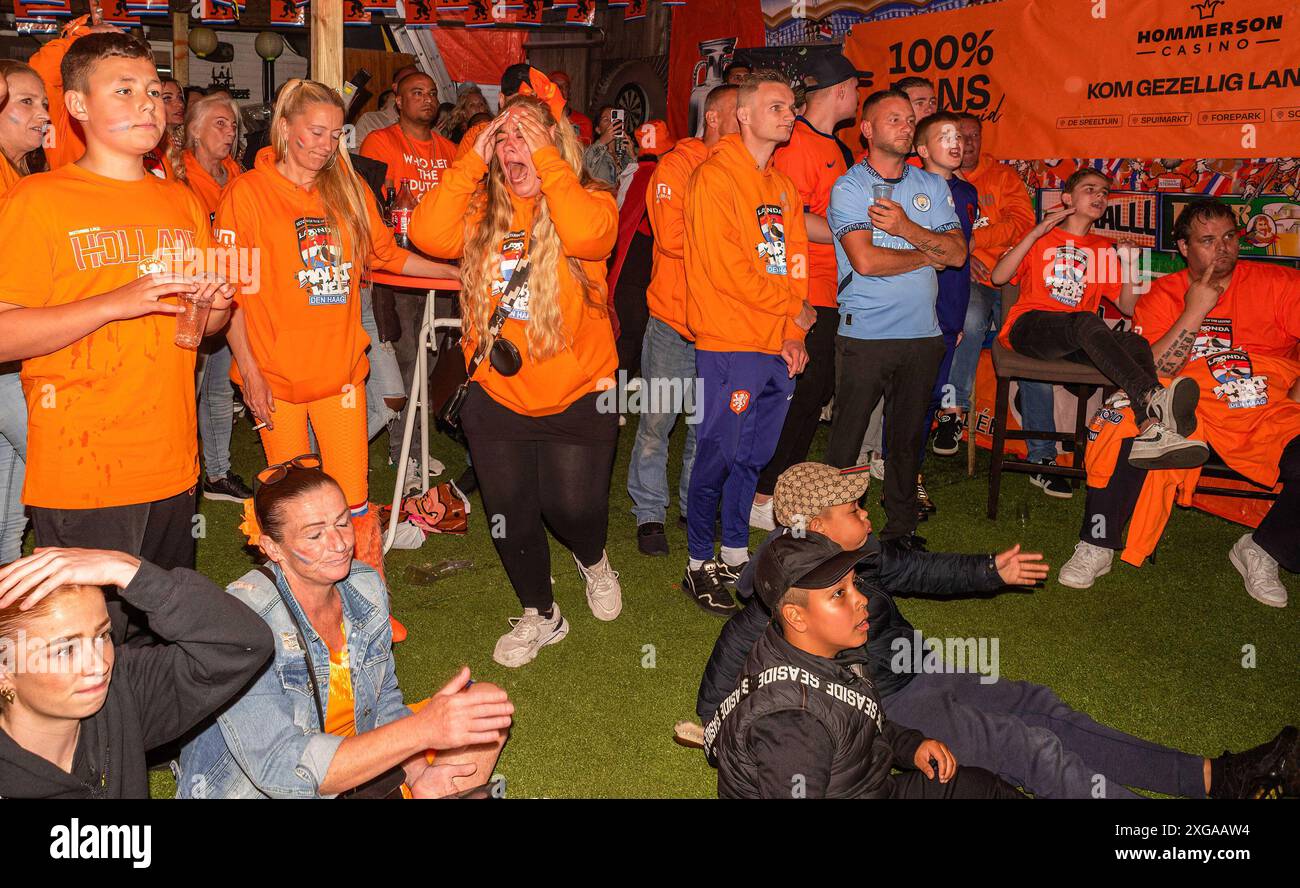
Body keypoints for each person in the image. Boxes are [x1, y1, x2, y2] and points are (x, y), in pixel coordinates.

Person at [694, 461, 1300, 798]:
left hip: (922, 670)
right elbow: (723, 698)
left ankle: (1210, 779)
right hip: (894, 703)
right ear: (815, 527)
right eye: (853, 509)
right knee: (1027, 747)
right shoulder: (771, 611)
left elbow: (918, 568)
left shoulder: (856, 558)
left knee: (1042, 709)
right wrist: (726, 738)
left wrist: (990, 569)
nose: (867, 513)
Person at [0, 33, 233, 643]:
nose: (147, 104)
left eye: (154, 90)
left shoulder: (180, 201)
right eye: (124, 90)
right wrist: (114, 303)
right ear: (76, 106)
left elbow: (198, 333)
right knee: (90, 648)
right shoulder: (38, 198)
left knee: (163, 639)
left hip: (172, 462)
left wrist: (213, 309)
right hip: (83, 468)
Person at [219, 79, 458, 591]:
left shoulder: (345, 186)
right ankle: (300, 604)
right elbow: (229, 292)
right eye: (317, 132)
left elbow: (387, 254)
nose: (327, 146)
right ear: (284, 129)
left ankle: (366, 601)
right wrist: (252, 375)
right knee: (292, 505)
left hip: (341, 376)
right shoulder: (248, 194)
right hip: (276, 381)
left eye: (336, 135)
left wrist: (453, 273)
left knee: (352, 498)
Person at [409, 94, 623, 667]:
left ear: (554, 145)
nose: (512, 150)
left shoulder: (589, 199)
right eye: (503, 140)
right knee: (509, 512)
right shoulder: (480, 211)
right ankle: (540, 612)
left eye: (526, 137)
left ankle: (593, 557)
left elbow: (588, 238)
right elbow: (427, 235)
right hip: (497, 396)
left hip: (579, 393)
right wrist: (468, 161)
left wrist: (549, 163)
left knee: (573, 509)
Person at [177, 459, 512, 798]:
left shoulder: (363, 583)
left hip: (358, 760)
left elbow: (383, 699)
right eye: (315, 534)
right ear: (271, 547)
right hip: (284, 786)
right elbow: (282, 771)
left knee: (485, 706)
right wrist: (421, 732)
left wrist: (419, 773)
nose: (338, 544)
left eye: (342, 523)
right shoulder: (242, 620)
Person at [1059, 199, 1300, 609]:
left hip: (1261, 404)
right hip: (1180, 402)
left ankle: (1264, 548)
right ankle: (1096, 541)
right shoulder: (1164, 294)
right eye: (1208, 240)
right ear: (1185, 248)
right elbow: (1150, 369)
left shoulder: (1279, 283)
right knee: (1120, 416)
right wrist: (1196, 308)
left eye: (1229, 237)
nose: (1222, 248)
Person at [704, 529, 1025, 799]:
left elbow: (858, 713)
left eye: (854, 584)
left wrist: (909, 746)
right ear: (796, 617)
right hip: (850, 786)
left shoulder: (816, 648)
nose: (861, 599)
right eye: (839, 594)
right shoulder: (793, 731)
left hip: (859, 784)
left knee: (979, 788)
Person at [680, 71, 810, 616]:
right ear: (745, 115)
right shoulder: (714, 178)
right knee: (717, 451)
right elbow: (728, 269)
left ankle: (734, 554)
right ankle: (696, 562)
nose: (789, 114)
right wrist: (789, 309)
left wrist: (795, 332)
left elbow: (797, 263)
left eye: (792, 107)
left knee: (753, 458)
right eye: (777, 107)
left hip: (774, 344)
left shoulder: (782, 188)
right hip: (730, 341)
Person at [0, 547, 273, 798]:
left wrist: (126, 569)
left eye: (102, 635)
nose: (100, 664)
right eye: (65, 650)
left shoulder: (121, 690)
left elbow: (245, 645)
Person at [824, 88, 966, 552]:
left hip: (922, 336)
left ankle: (900, 532)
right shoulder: (850, 186)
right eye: (895, 120)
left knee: (906, 442)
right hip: (864, 334)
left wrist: (906, 230)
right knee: (846, 444)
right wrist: (927, 255)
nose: (907, 127)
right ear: (867, 129)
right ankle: (833, 529)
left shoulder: (932, 186)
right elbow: (865, 261)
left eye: (910, 120)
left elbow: (959, 254)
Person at [993, 167, 1207, 471]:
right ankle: (1153, 395)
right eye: (1090, 189)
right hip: (1029, 328)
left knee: (1133, 341)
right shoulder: (1042, 237)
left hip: (1073, 337)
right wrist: (1035, 233)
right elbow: (998, 276)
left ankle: (1150, 423)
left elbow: (1128, 307)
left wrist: (1130, 263)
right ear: (1067, 198)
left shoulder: (1102, 249)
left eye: (1104, 192)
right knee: (1084, 321)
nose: (1100, 196)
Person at [627, 85, 739, 557]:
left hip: (721, 326)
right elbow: (671, 238)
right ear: (713, 117)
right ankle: (649, 512)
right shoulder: (676, 164)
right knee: (657, 422)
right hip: (675, 321)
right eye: (742, 111)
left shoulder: (745, 171)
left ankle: (694, 506)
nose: (750, 120)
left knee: (704, 426)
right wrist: (730, 239)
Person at [751, 53, 860, 533]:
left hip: (832, 290)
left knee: (809, 399)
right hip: (805, 291)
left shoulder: (835, 146)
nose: (858, 98)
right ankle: (760, 493)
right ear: (841, 91)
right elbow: (782, 218)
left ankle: (771, 491)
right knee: (793, 398)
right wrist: (850, 229)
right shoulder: (796, 146)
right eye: (856, 88)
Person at [938, 113, 1056, 486]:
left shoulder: (1003, 176)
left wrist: (973, 244)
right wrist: (964, 254)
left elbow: (1022, 225)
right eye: (960, 136)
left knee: (1029, 345)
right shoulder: (937, 177)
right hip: (967, 278)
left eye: (974, 136)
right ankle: (952, 412)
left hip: (1012, 276)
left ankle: (1044, 454)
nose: (967, 143)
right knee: (969, 321)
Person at [360, 71, 459, 474]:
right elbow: (370, 201)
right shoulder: (380, 142)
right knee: (403, 359)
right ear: (398, 101)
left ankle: (413, 447)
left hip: (441, 267)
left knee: (430, 361)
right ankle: (404, 453)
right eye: (416, 93)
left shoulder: (450, 150)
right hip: (396, 269)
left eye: (432, 93)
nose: (427, 99)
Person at [169, 92, 253, 506]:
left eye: (233, 124)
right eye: (219, 123)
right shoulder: (174, 174)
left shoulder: (238, 174)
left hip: (229, 296)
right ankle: (178, 473)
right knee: (185, 389)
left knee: (219, 388)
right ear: (194, 132)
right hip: (187, 298)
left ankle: (217, 473)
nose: (229, 130)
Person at [910, 111, 978, 517]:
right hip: (910, 307)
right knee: (908, 399)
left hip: (947, 311)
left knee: (931, 396)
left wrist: (954, 319)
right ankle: (900, 477)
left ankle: (911, 476)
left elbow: (959, 259)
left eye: (961, 137)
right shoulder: (906, 186)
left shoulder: (967, 193)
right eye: (945, 136)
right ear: (921, 149)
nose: (958, 143)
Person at [0, 61, 49, 565]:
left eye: (44, 103)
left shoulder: (22, 176)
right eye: (27, 102)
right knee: (69, 478)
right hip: (7, 359)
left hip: (17, 359)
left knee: (9, 516)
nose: (42, 114)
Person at [455, 63, 533, 159]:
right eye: (516, 100)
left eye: (530, 100)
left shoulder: (547, 133)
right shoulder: (478, 135)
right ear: (501, 100)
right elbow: (463, 172)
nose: (523, 106)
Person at [352, 64, 417, 148]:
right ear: (395, 87)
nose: (415, 85)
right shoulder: (370, 121)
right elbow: (352, 155)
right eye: (408, 80)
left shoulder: (431, 129)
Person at [583, 105, 635, 192]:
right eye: (606, 120)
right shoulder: (590, 151)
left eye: (614, 119)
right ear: (598, 129)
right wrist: (603, 141)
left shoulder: (624, 155)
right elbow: (585, 169)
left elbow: (634, 184)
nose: (612, 123)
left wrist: (632, 155)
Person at [549, 70, 592, 144]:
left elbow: (587, 153)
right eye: (555, 86)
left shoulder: (583, 122)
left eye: (564, 87)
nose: (560, 90)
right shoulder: (541, 118)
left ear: (569, 92)